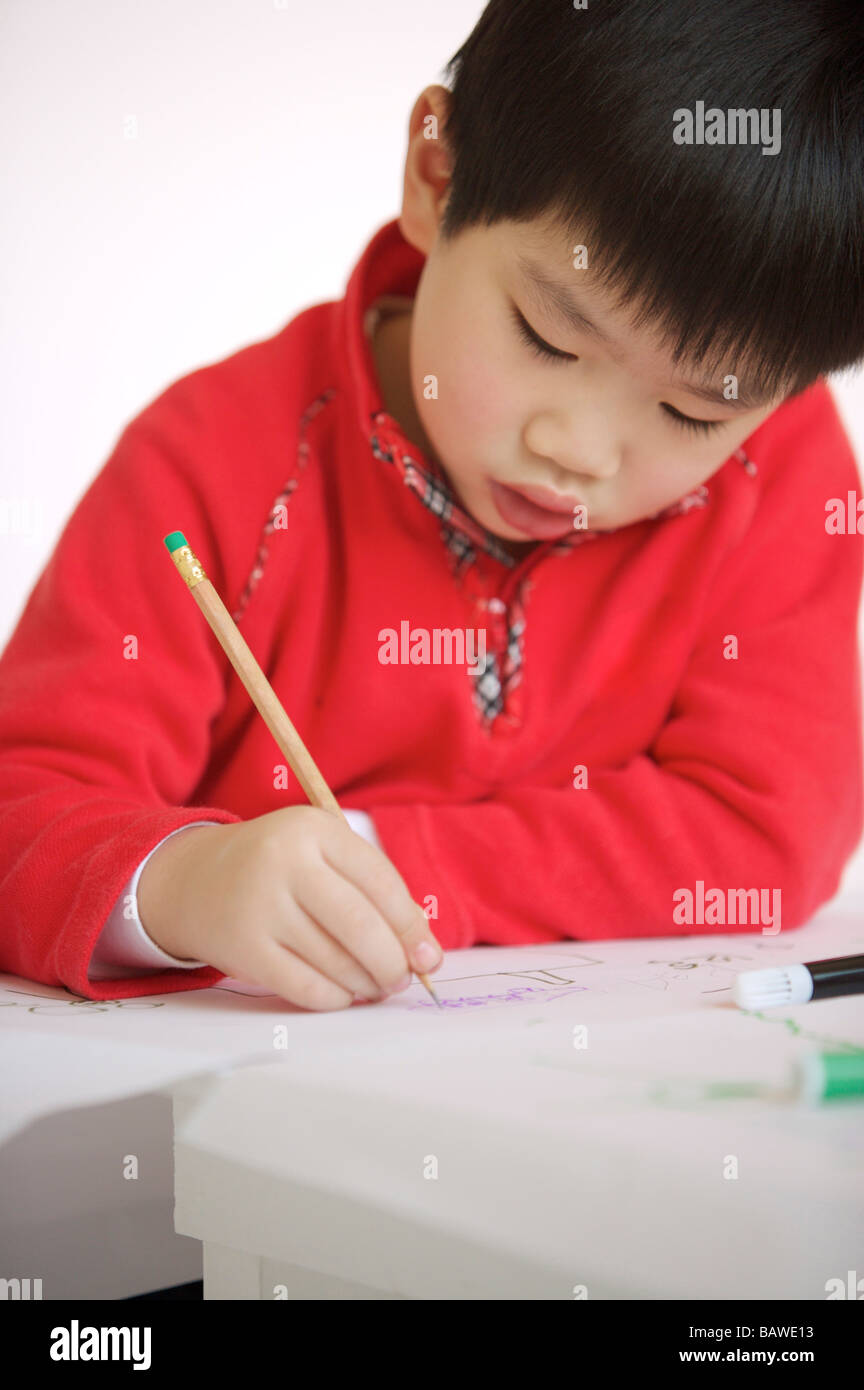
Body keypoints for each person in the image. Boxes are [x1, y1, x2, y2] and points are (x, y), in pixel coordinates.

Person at [2, 0, 863, 1010]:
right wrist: (187, 882)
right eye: (548, 339)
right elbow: (20, 805)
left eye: (692, 413)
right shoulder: (209, 462)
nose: (576, 450)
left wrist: (387, 860)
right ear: (436, 174)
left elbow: (765, 828)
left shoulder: (783, 470)